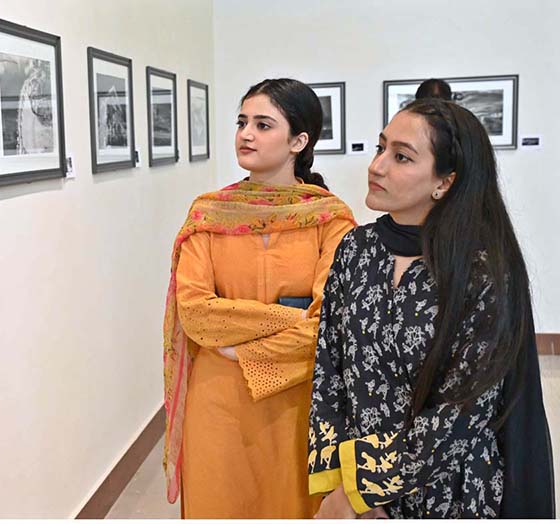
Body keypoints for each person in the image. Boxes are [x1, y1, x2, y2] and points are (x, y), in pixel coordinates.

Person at [308, 97, 554, 518]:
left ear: (445, 181)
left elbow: (462, 412)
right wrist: (336, 482)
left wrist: (360, 492)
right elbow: (328, 369)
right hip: (354, 490)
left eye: (401, 157)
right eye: (380, 147)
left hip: (448, 490)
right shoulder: (355, 248)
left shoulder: (482, 269)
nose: (377, 166)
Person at [161, 78, 355, 518]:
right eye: (242, 122)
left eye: (264, 124)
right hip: (217, 404)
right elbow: (195, 314)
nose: (246, 134)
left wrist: (236, 346)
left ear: (298, 141)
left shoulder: (331, 220)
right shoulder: (208, 215)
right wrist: (288, 319)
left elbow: (329, 328)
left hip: (298, 404)